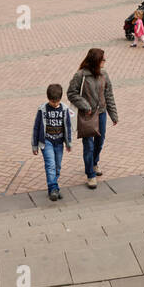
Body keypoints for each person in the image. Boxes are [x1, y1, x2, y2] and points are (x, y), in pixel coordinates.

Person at [67, 48, 117, 189]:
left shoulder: (104, 74)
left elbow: (109, 95)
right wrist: (85, 105)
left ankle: (94, 163)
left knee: (99, 142)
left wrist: (113, 114)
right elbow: (71, 93)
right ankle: (90, 174)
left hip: (101, 113)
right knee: (88, 145)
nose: (105, 61)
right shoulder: (80, 75)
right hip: (87, 115)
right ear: (96, 61)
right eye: (103, 59)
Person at [33, 83, 73, 201]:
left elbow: (68, 127)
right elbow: (36, 127)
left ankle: (53, 188)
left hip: (59, 142)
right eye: (52, 101)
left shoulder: (64, 109)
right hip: (46, 141)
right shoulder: (42, 109)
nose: (54, 104)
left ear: (60, 99)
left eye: (56, 101)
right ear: (48, 98)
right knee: (50, 165)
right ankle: (54, 188)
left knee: (57, 166)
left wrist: (68, 143)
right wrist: (34, 145)